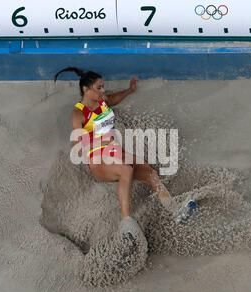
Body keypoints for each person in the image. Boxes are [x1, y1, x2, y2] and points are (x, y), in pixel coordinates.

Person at [54, 67, 192, 222]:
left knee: (151, 174)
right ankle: (127, 222)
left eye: (103, 87)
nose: (103, 91)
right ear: (86, 89)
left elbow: (114, 99)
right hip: (98, 162)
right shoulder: (78, 113)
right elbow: (79, 146)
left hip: (116, 153)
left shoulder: (103, 102)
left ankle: (175, 211)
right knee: (126, 169)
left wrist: (130, 90)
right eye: (99, 88)